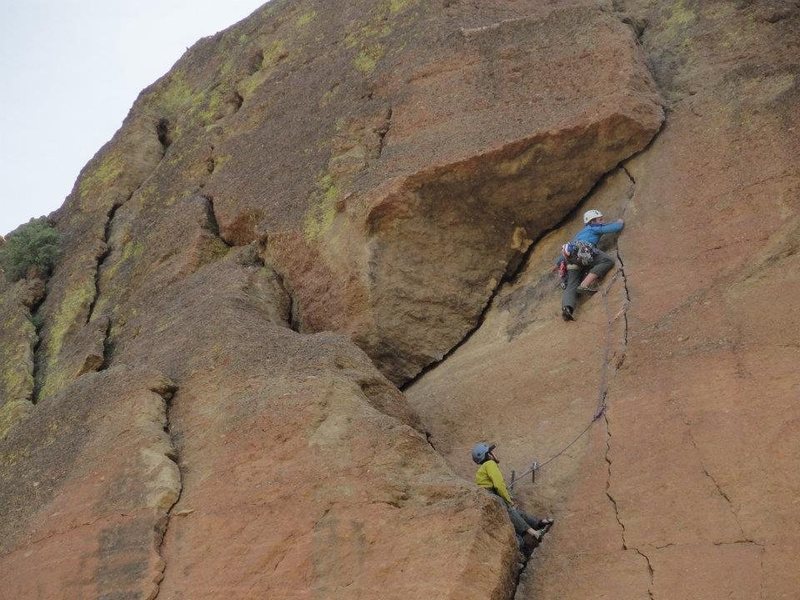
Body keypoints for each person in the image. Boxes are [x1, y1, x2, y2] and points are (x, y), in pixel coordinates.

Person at [472, 442, 553, 549]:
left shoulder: (482, 469)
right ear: (488, 455)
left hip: (487, 495)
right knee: (510, 510)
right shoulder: (490, 464)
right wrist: (508, 499)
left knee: (516, 512)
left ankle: (538, 523)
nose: (493, 454)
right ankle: (534, 533)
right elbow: (499, 485)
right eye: (490, 452)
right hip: (491, 494)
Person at [558, 209, 624, 321]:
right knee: (607, 261)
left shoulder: (580, 233)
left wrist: (559, 264)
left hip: (571, 259)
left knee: (572, 283)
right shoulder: (593, 228)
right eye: (600, 219)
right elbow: (614, 228)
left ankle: (567, 308)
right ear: (592, 221)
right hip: (584, 253)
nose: (603, 221)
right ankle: (584, 285)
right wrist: (620, 222)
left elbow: (564, 254)